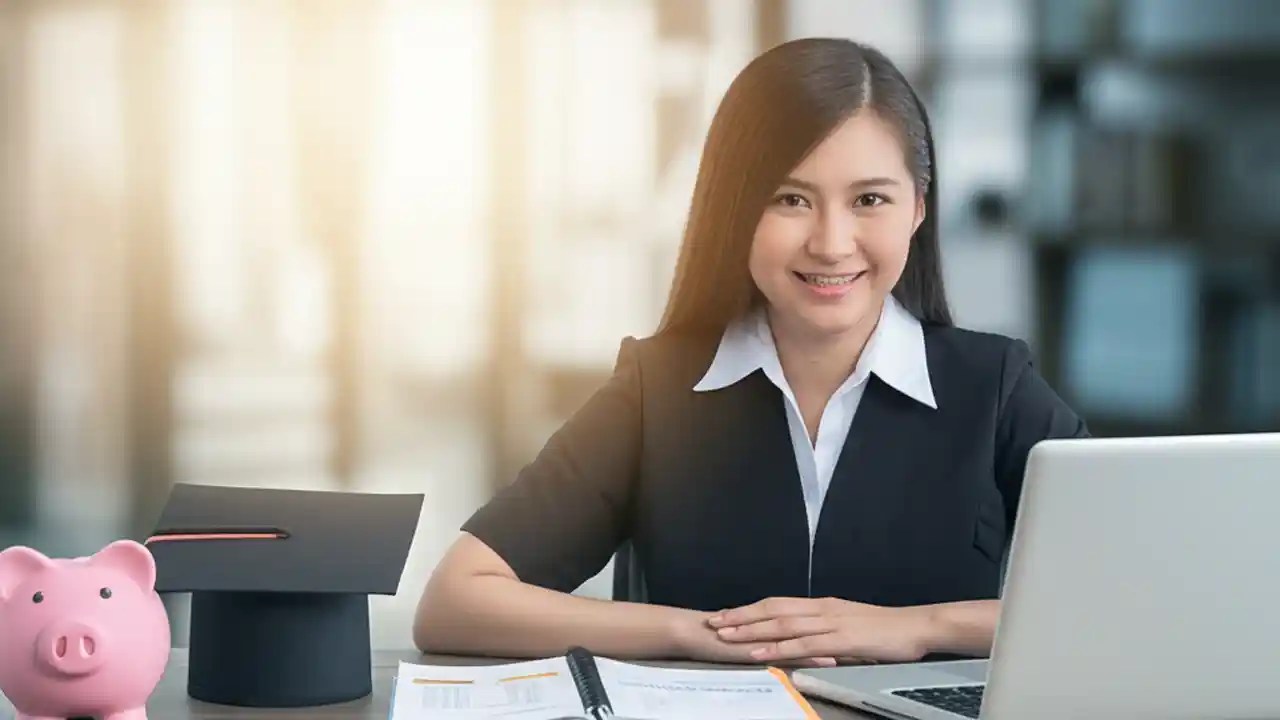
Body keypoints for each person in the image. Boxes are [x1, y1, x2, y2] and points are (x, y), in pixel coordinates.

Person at [413, 37, 1087, 669]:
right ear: (735, 208)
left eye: (869, 200)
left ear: (917, 208)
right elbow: (456, 601)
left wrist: (915, 628)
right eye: (790, 199)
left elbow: (1131, 595)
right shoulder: (659, 390)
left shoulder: (994, 388)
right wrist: (694, 632)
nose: (831, 242)